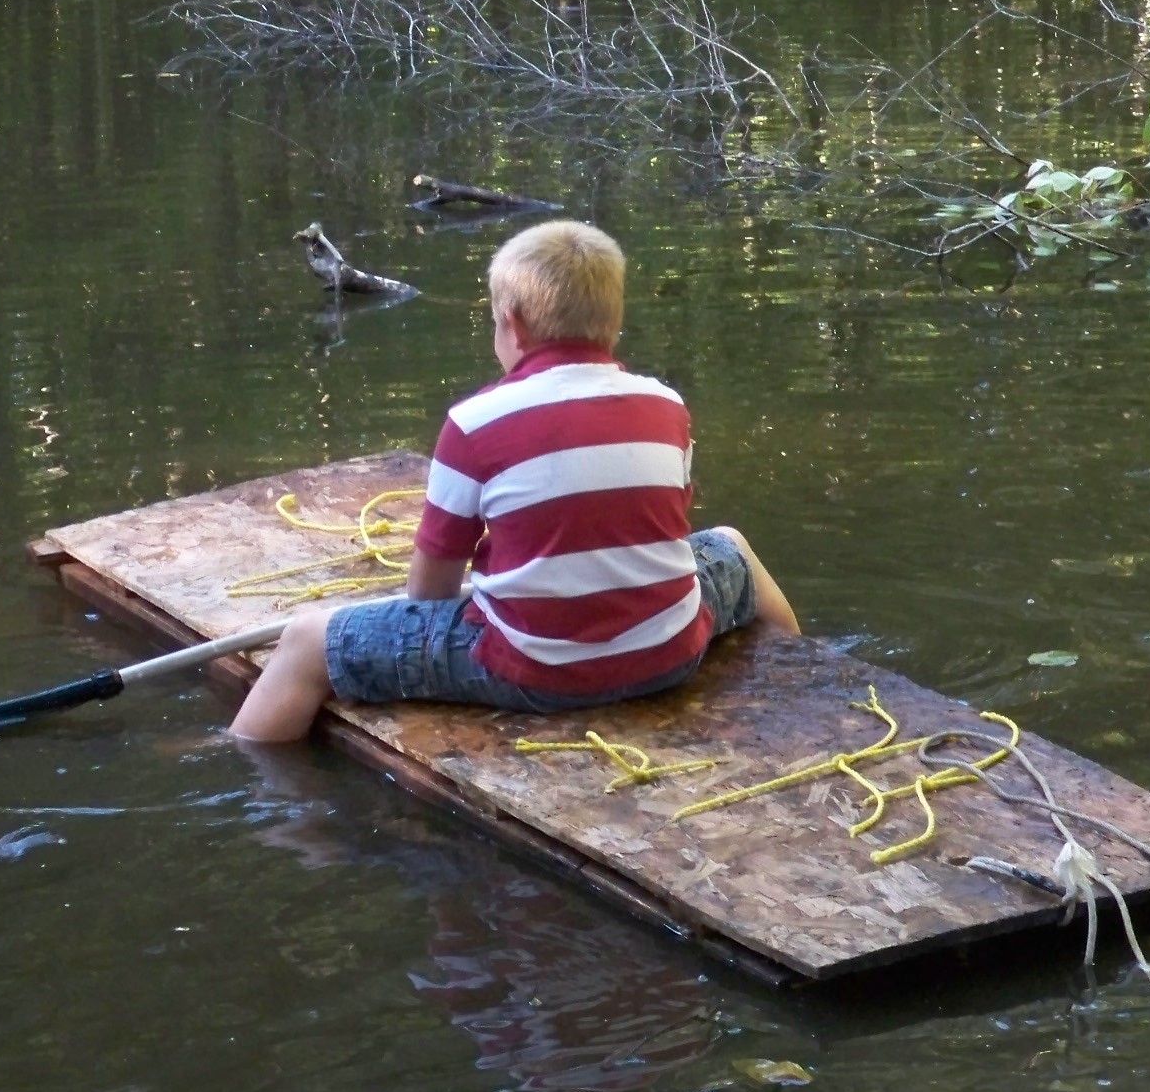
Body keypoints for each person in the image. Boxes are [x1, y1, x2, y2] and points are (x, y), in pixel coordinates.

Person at [230, 220, 798, 742]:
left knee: (306, 642)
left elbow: (429, 597)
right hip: (672, 653)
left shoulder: (475, 422)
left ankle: (251, 764)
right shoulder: (667, 405)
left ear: (514, 324)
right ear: (613, 321)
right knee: (732, 547)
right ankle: (803, 676)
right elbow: (648, 529)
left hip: (541, 674)